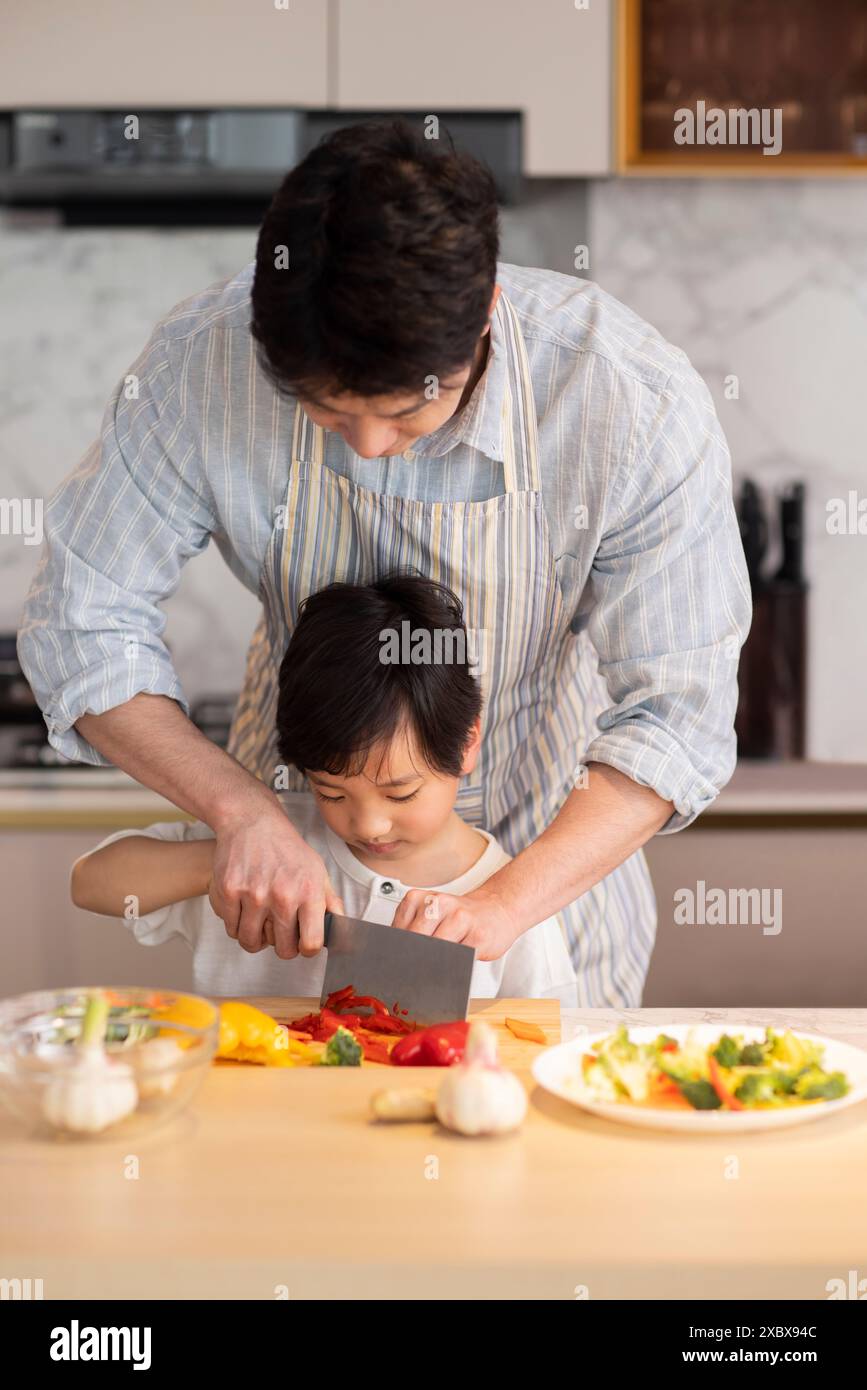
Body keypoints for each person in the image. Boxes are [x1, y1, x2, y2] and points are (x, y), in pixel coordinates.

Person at [19, 119, 751, 1006]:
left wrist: (504, 905)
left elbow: (679, 718)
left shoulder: (624, 399)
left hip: (547, 867)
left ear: (483, 316)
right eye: (326, 414)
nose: (367, 450)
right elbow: (82, 625)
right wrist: (242, 815)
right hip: (289, 843)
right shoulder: (201, 367)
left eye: (404, 414)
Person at [69, 575, 577, 1005]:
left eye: (400, 793)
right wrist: (230, 863)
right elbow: (90, 884)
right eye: (331, 793)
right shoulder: (268, 843)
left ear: (467, 743)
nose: (368, 824)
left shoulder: (507, 905)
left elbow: (541, 1049)